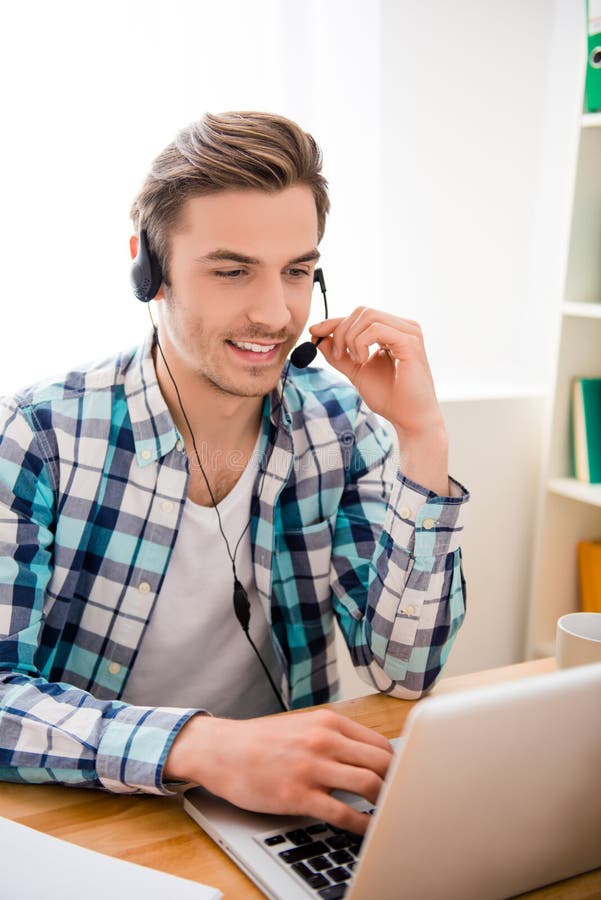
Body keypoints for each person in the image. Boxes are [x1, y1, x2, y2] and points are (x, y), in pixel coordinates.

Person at [0, 110, 468, 834]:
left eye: (298, 272)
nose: (273, 313)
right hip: (97, 817)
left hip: (285, 814)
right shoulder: (39, 434)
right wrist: (201, 745)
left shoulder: (337, 427)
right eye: (231, 271)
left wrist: (420, 437)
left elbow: (402, 671)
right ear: (148, 268)